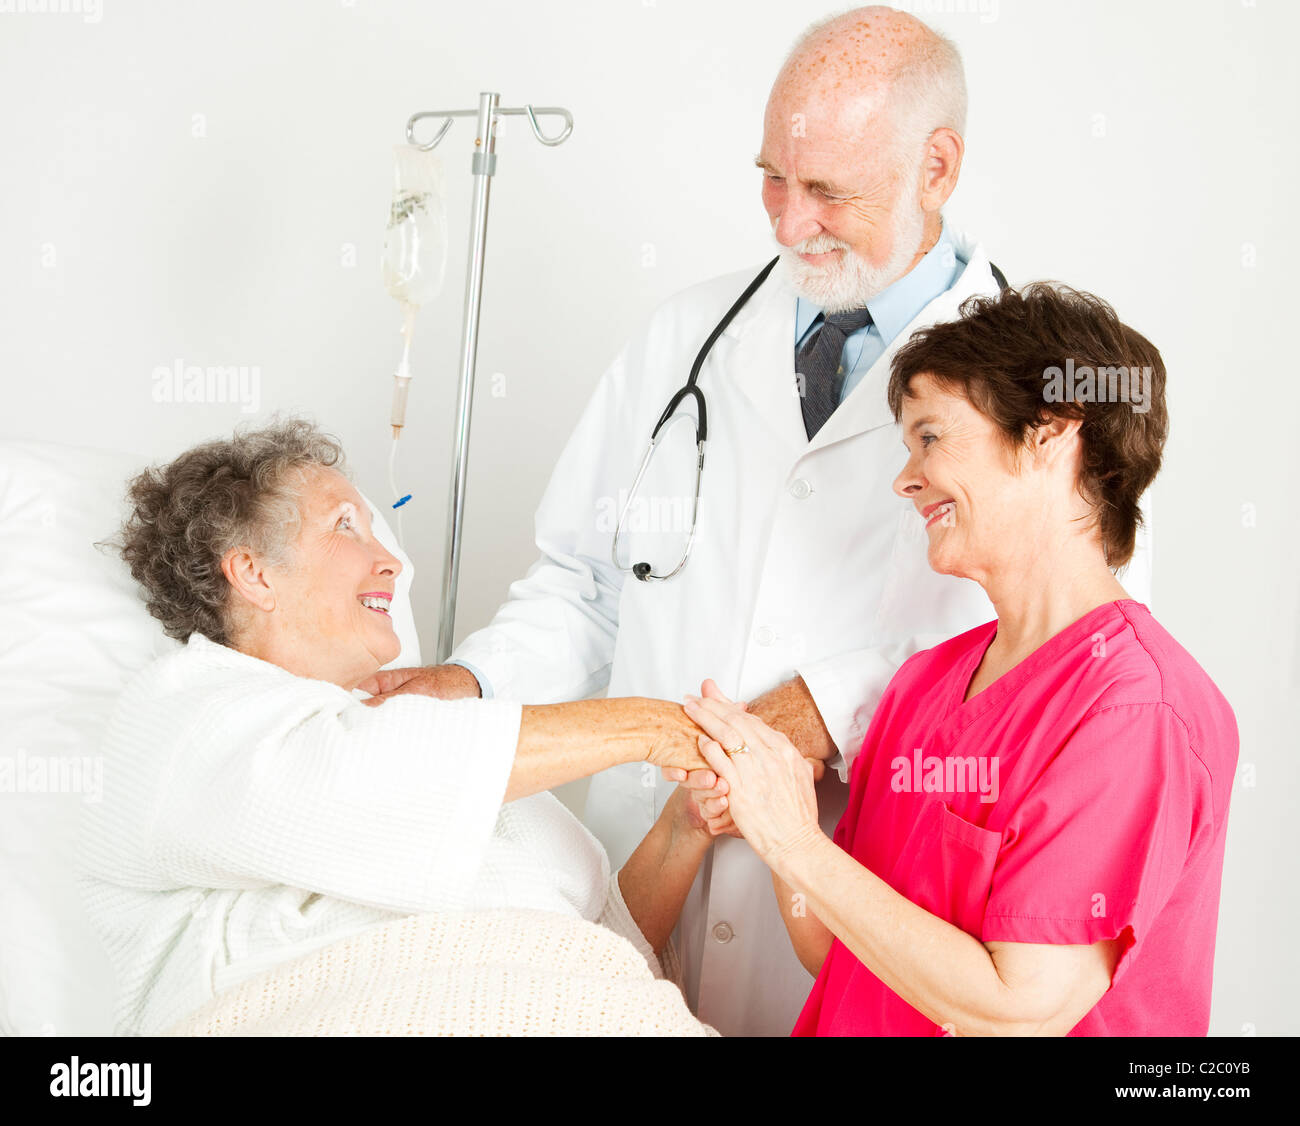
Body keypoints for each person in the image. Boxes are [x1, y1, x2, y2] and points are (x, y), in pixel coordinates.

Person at [363, 7, 1151, 1035]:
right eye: (772, 178)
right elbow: (581, 584)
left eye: (827, 190)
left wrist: (821, 708)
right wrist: (471, 687)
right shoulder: (683, 338)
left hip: (859, 905)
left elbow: (1077, 638)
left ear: (937, 168)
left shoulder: (1047, 394)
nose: (786, 224)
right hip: (643, 875)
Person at [682, 284, 1238, 1035]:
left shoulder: (1135, 710)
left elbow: (1020, 1010)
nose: (905, 480)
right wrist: (776, 798)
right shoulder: (923, 687)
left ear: (1048, 432)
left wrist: (793, 838)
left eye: (931, 439)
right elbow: (836, 951)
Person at [77, 420, 715, 1037]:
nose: (390, 561)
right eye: (346, 527)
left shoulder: (444, 745)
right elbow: (345, 781)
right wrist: (650, 727)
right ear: (254, 573)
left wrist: (684, 827)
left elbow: (603, 941)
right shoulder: (182, 710)